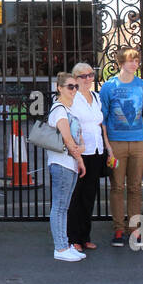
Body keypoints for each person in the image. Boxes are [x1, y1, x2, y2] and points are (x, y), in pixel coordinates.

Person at [100, 48, 143, 246]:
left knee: (135, 188)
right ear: (121, 63)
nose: (134, 64)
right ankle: (118, 230)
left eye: (136, 60)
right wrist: (108, 145)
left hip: (139, 143)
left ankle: (135, 229)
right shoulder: (109, 86)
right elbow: (102, 118)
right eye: (130, 60)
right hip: (116, 142)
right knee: (117, 187)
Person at [47, 72, 87, 262]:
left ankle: (64, 244)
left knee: (64, 206)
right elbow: (67, 137)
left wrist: (79, 160)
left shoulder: (69, 110)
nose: (73, 90)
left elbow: (77, 140)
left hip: (69, 163)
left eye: (75, 87)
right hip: (61, 163)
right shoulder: (59, 110)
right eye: (70, 87)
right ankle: (61, 248)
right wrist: (78, 153)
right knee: (60, 206)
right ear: (59, 88)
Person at [67, 62, 106, 252]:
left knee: (90, 196)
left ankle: (85, 236)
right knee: (76, 196)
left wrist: (110, 150)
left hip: (96, 151)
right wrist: (76, 151)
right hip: (79, 153)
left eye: (91, 75)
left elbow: (101, 125)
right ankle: (73, 237)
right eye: (83, 76)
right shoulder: (72, 99)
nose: (88, 79)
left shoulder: (97, 97)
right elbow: (71, 126)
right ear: (75, 79)